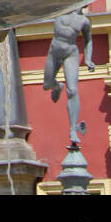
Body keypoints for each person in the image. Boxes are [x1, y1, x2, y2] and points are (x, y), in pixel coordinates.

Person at [43, 9, 95, 145]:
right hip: (54, 51)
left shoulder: (84, 21)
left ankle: (72, 129)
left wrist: (88, 59)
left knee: (72, 91)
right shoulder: (62, 8)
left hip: (70, 54)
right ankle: (57, 86)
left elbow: (88, 40)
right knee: (47, 85)